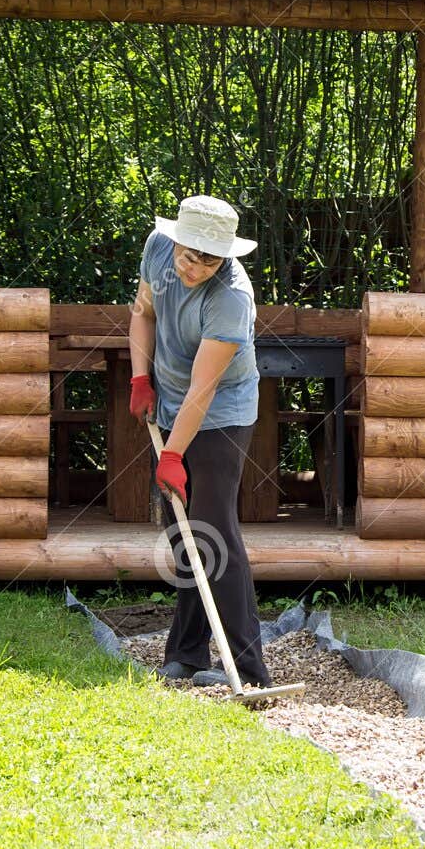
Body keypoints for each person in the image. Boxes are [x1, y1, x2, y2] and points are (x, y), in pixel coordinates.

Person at [127, 194, 272, 688]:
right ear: (176, 241)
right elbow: (143, 313)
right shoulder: (158, 248)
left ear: (227, 256)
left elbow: (204, 389)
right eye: (189, 254)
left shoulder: (231, 298)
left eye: (209, 259)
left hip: (221, 417)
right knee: (183, 530)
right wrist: (139, 379)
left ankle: (249, 670)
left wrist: (173, 454)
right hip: (169, 401)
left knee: (213, 533)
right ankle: (187, 652)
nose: (194, 267)